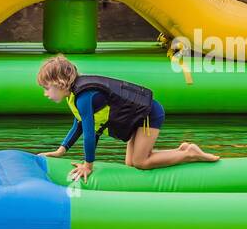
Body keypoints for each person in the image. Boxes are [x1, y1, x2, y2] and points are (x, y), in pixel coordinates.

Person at [35, 54, 218, 181]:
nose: (45, 94)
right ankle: (182, 150)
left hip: (148, 115)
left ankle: (189, 154)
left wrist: (88, 165)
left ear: (60, 83)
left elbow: (90, 134)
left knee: (141, 162)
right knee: (131, 163)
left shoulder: (83, 97)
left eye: (47, 88)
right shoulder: (75, 96)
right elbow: (79, 124)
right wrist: (62, 150)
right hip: (138, 119)